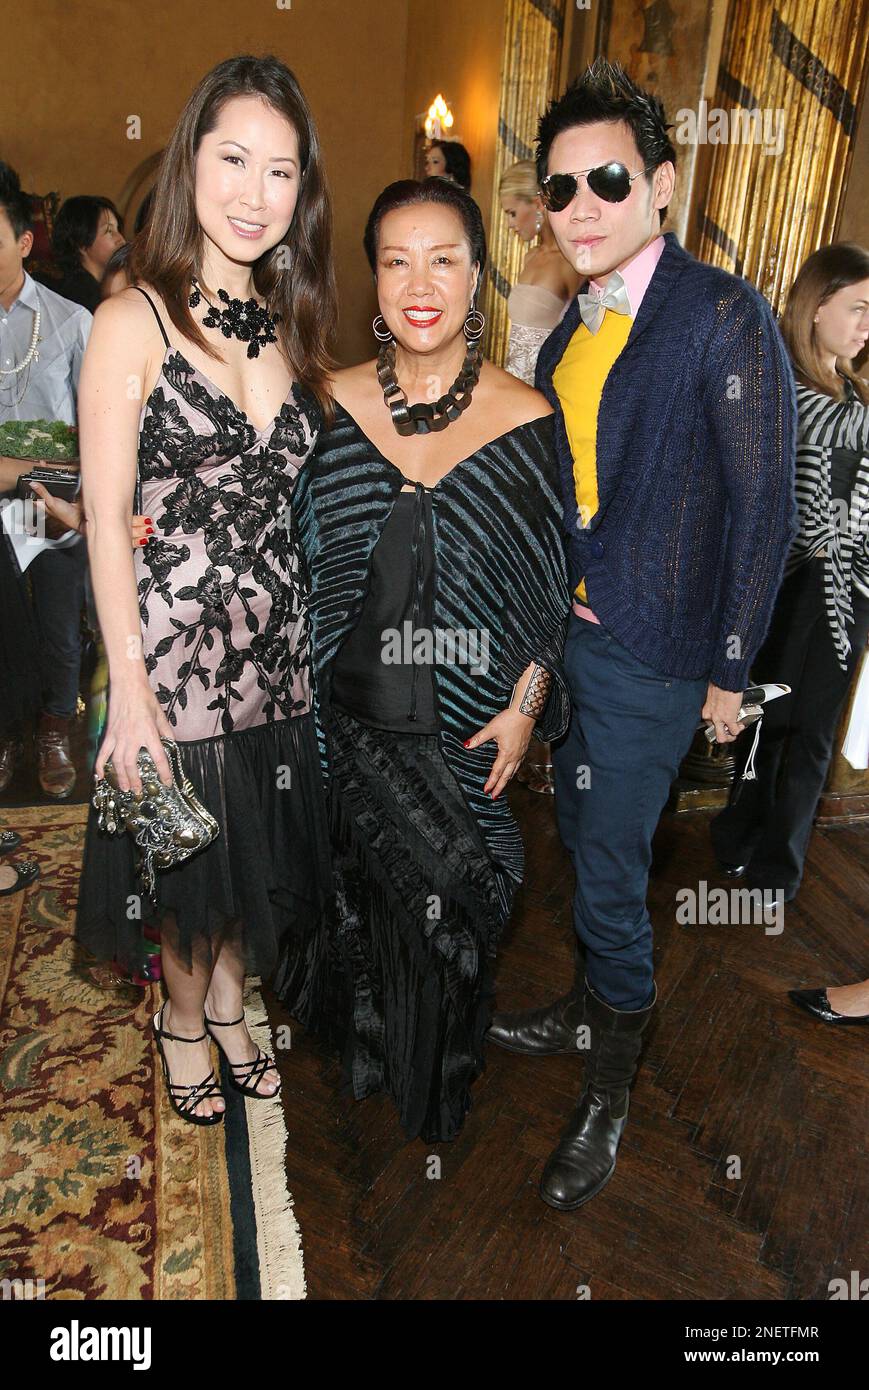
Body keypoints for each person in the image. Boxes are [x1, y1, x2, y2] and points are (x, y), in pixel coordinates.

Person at [487, 59, 797, 1211]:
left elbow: (766, 505)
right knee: (577, 831)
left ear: (660, 185)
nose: (577, 209)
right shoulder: (572, 329)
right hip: (567, 643)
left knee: (610, 863)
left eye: (605, 181)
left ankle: (609, 1088)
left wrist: (730, 669)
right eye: (558, 190)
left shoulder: (720, 315)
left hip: (657, 652)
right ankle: (584, 1003)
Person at [274, 177, 570, 1143]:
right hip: (349, 720)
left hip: (464, 729)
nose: (420, 281)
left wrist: (528, 704)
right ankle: (366, 1063)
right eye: (396, 260)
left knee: (458, 925)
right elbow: (282, 562)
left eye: (443, 258)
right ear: (374, 277)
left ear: (477, 273)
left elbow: (546, 594)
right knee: (357, 915)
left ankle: (437, 1085)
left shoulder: (527, 418)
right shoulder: (327, 404)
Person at [75, 54, 337, 1125]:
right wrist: (125, 690)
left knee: (252, 867)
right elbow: (103, 515)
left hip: (277, 660)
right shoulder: (129, 321)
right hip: (172, 662)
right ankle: (182, 1021)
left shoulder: (291, 324)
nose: (253, 191)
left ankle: (230, 1001)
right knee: (188, 873)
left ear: (300, 195)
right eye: (233, 158)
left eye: (279, 171)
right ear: (190, 164)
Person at [711, 244, 869, 914]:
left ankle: (778, 866)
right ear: (815, 307)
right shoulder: (782, 395)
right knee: (766, 720)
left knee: (809, 731)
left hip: (846, 590)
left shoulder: (855, 394)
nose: (868, 325)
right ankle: (740, 836)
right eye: (858, 308)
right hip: (786, 585)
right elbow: (761, 503)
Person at [0, 162, 93, 799]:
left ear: (24, 241)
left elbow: (98, 422)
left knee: (60, 621)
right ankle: (7, 733)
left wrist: (76, 496)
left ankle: (57, 727)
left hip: (51, 498)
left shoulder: (70, 320)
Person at [500, 159, 581, 794]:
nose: (514, 223)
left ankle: (545, 740)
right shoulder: (540, 260)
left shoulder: (570, 268)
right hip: (510, 423)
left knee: (541, 575)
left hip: (546, 431)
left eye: (515, 210)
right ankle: (514, 722)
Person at [500, 159, 580, 387]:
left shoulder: (571, 260)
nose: (509, 223)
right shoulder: (530, 257)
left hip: (547, 390)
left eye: (512, 213)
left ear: (537, 204)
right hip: (514, 390)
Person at [51, 197, 126, 313]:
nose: (121, 240)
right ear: (81, 243)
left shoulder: (106, 288)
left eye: (118, 230)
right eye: (109, 231)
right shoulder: (80, 299)